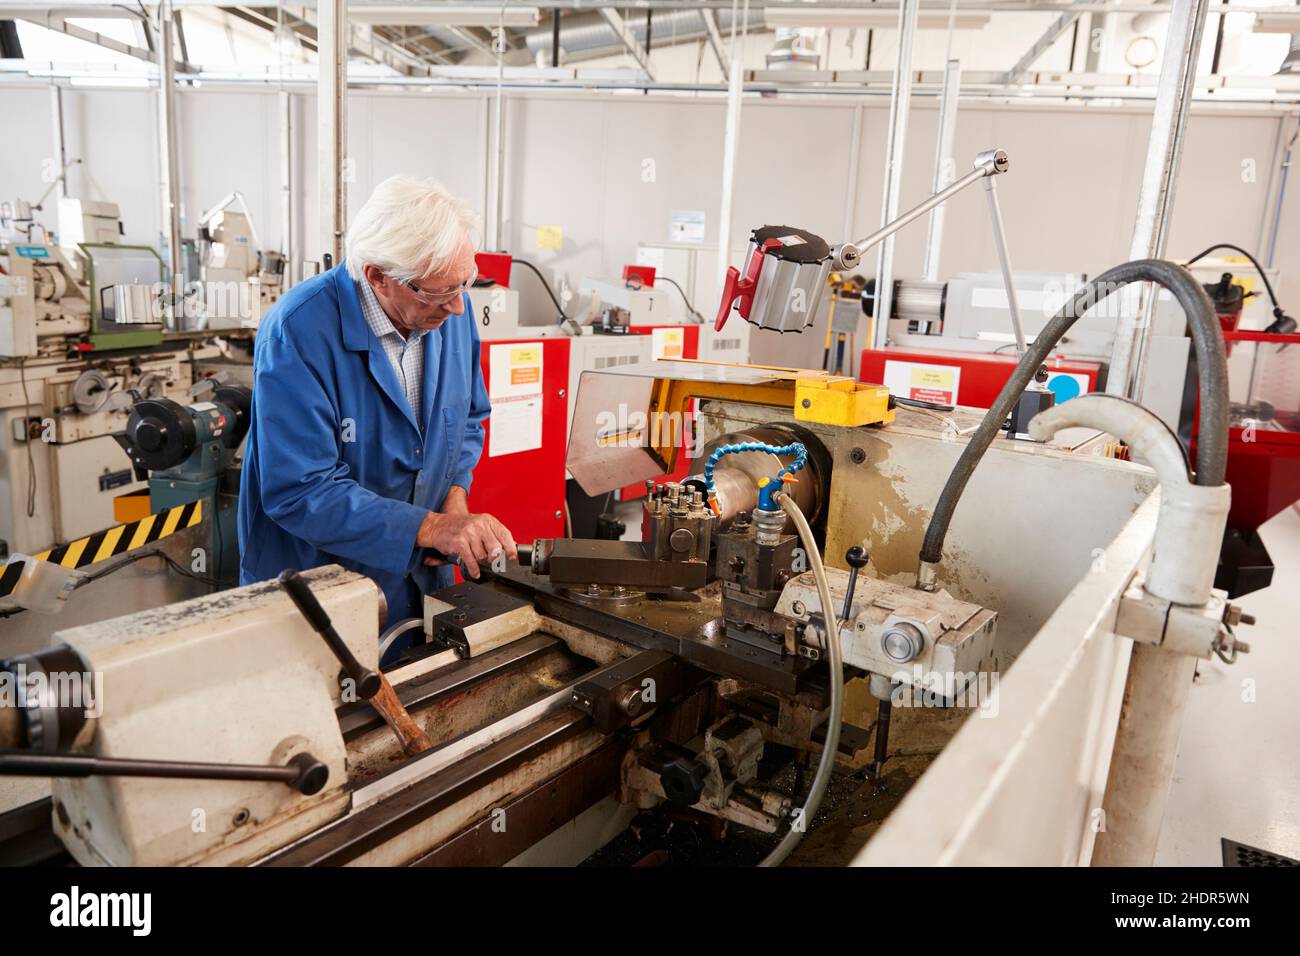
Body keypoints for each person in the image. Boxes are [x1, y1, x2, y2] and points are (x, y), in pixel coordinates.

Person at [238, 175, 516, 639]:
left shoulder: (447, 317)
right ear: (377, 276)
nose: (458, 308)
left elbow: (468, 418)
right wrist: (428, 528)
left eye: (464, 284)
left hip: (418, 580)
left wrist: (455, 496)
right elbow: (299, 491)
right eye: (438, 292)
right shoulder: (298, 331)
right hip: (320, 591)